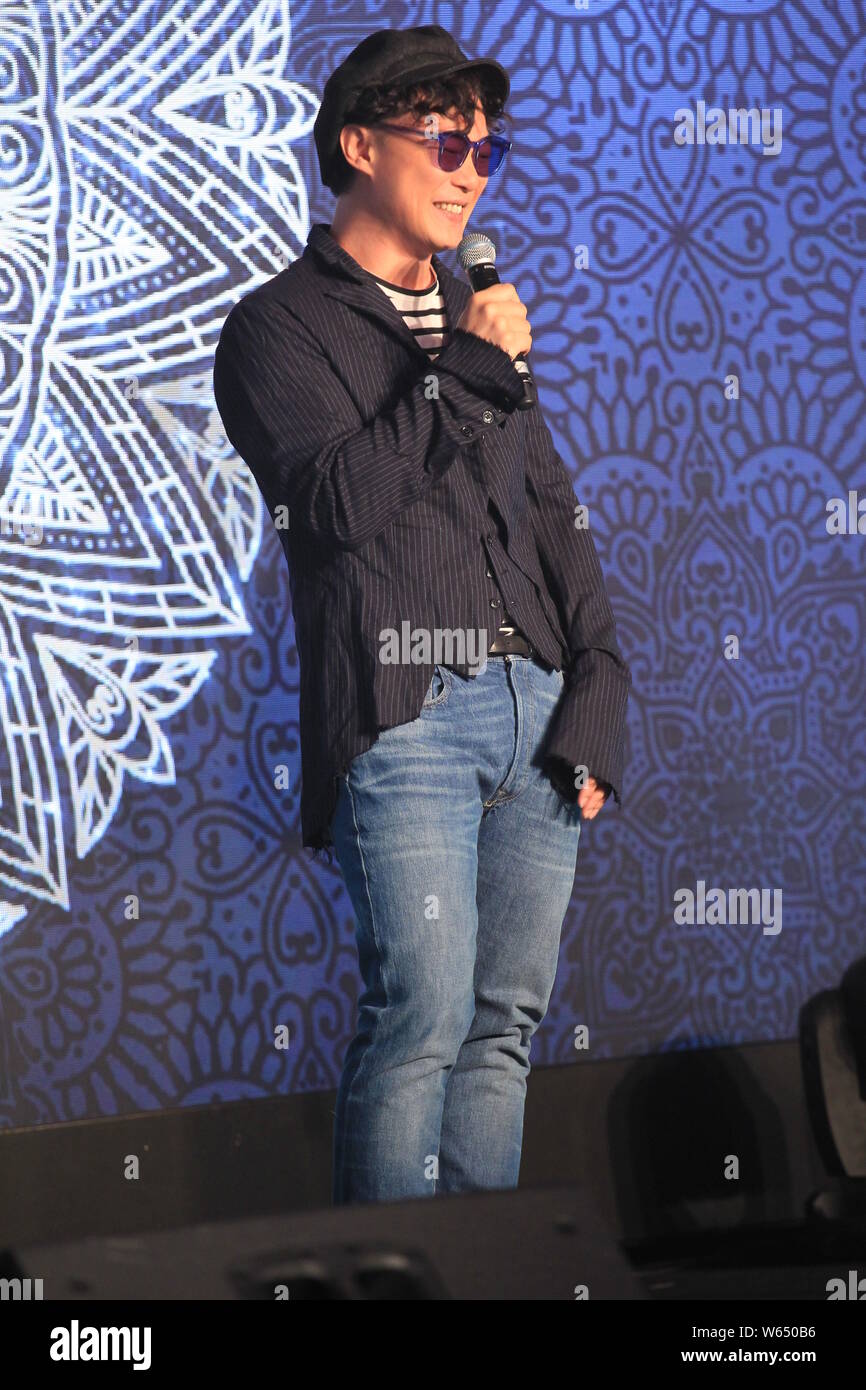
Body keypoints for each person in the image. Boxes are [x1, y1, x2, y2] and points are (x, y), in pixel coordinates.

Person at [212, 24, 631, 1205]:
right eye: (443, 139)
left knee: (503, 1029)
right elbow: (340, 505)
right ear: (357, 143)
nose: (468, 171)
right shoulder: (276, 328)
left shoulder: (474, 312)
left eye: (485, 150)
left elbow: (551, 515)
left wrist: (595, 687)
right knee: (422, 1023)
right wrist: (469, 371)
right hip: (407, 716)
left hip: (538, 714)